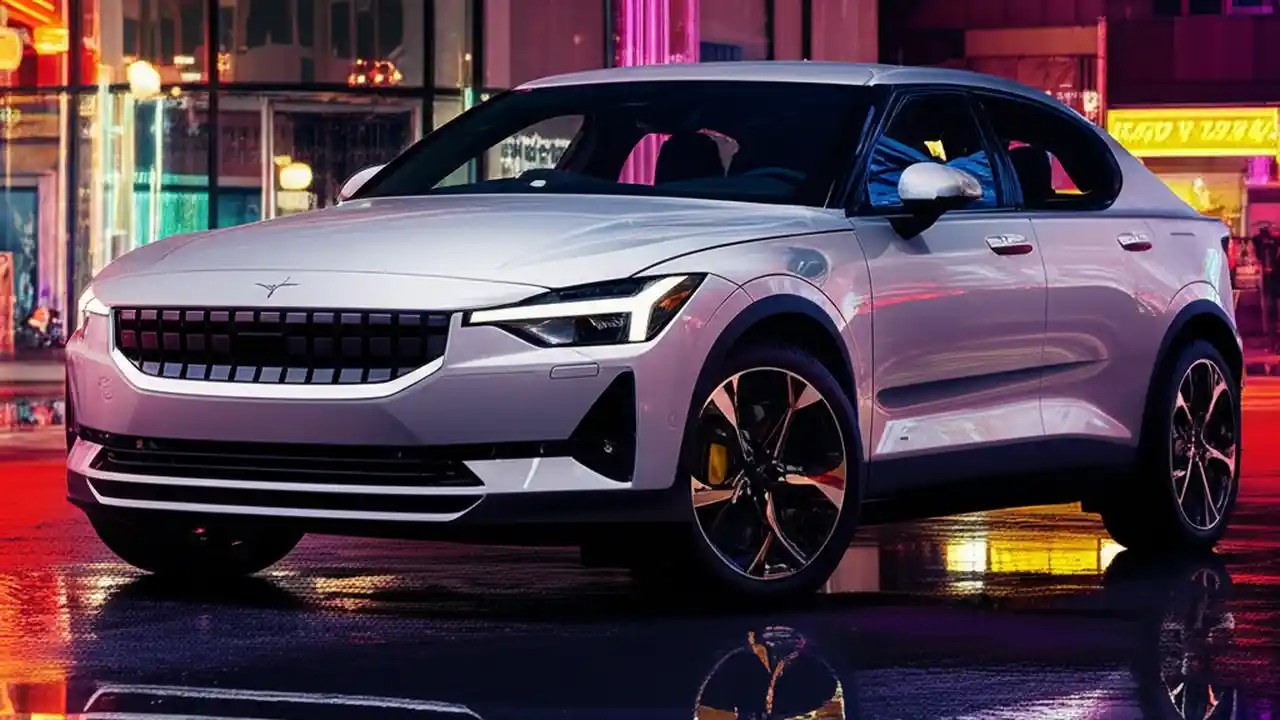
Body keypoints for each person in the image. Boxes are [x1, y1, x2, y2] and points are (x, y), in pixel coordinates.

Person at [1252, 226, 1280, 350]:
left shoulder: (1270, 248)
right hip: (1272, 286)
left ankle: (1273, 344)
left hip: (1273, 286)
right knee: (1272, 315)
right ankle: (1273, 344)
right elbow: (1256, 240)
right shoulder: (1269, 247)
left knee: (1272, 315)